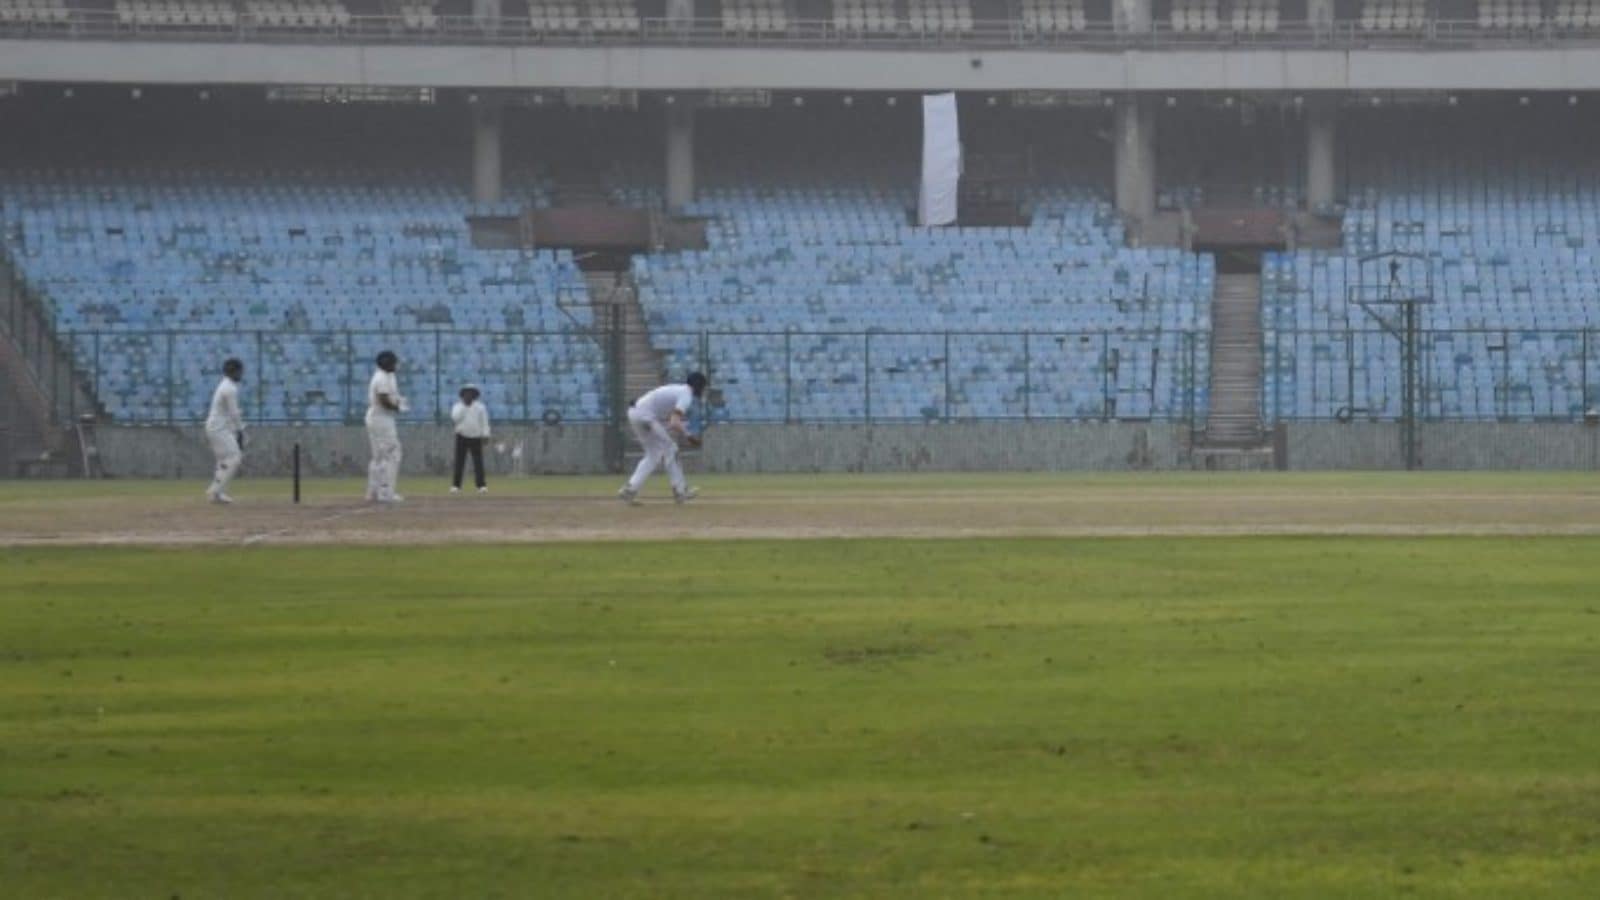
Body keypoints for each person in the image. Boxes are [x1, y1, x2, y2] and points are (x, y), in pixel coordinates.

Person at [618, 371, 706, 506]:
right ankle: (680, 491)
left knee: (653, 455)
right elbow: (674, 422)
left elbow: (669, 420)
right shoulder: (686, 395)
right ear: (698, 385)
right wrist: (689, 436)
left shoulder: (679, 389)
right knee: (671, 448)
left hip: (635, 413)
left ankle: (630, 490)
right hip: (646, 416)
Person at [365, 350, 408, 504]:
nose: (396, 365)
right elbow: (383, 399)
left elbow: (389, 397)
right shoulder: (382, 377)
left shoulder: (387, 376)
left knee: (378, 456)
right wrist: (397, 407)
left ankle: (374, 492)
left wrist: (397, 402)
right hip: (381, 418)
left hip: (378, 417)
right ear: (387, 363)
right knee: (392, 453)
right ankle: (386, 493)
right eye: (394, 362)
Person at [204, 357, 246, 504]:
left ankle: (217, 494)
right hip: (218, 428)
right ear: (233, 372)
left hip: (218, 427)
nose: (241, 374)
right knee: (235, 458)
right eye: (240, 371)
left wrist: (235, 430)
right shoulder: (229, 388)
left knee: (223, 460)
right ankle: (215, 490)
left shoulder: (225, 385)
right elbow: (234, 413)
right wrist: (240, 431)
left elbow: (229, 413)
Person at [450, 383, 490, 494]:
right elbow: (455, 419)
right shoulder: (457, 406)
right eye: (466, 393)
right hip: (461, 436)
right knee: (459, 462)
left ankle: (481, 486)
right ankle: (456, 486)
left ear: (474, 395)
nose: (468, 396)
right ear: (463, 395)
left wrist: (486, 435)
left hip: (476, 437)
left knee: (478, 463)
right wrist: (464, 407)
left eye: (471, 393)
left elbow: (484, 422)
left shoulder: (480, 407)